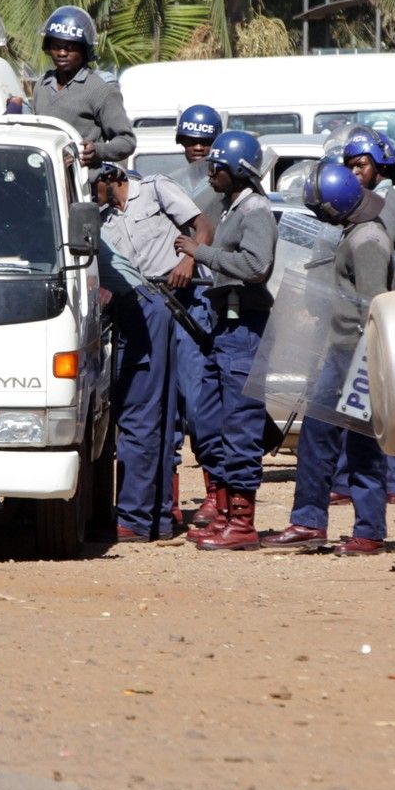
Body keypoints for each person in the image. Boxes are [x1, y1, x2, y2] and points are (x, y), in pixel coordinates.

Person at [257, 162, 395, 556]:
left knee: (362, 445)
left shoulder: (367, 239)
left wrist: (365, 360)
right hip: (342, 351)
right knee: (318, 438)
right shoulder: (356, 231)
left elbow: (374, 306)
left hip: (358, 355)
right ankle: (309, 522)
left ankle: (367, 532)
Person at [175, 131, 277, 551]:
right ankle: (223, 512)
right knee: (211, 421)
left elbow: (256, 266)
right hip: (225, 327)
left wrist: (202, 254)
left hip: (244, 329)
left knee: (240, 424)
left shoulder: (255, 210)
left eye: (217, 167)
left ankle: (243, 523)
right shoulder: (232, 206)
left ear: (238, 172)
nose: (210, 173)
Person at [92, 161, 202, 541]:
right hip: (136, 306)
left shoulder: (154, 189)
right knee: (150, 413)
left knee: (145, 412)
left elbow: (201, 228)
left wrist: (190, 258)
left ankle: (138, 518)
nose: (90, 197)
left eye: (94, 186)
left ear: (111, 178)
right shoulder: (102, 218)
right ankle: (155, 517)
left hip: (161, 302)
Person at [337, 127, 395, 505]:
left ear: (380, 165)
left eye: (361, 165)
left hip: (389, 310)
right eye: (349, 166)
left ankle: (390, 482)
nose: (354, 173)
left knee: (383, 402)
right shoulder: (373, 201)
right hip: (387, 310)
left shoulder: (387, 204)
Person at [169, 104, 224, 530]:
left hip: (208, 303)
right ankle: (165, 501)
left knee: (203, 408)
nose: (198, 148)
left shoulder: (226, 187)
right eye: (191, 140)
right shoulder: (169, 184)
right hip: (169, 300)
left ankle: (216, 497)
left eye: (205, 141)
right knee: (164, 408)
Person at [32, 5, 135, 164]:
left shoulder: (101, 89)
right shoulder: (41, 85)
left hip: (84, 185)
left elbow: (127, 141)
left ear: (84, 50)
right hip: (46, 183)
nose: (62, 53)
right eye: (56, 47)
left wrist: (96, 151)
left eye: (70, 47)